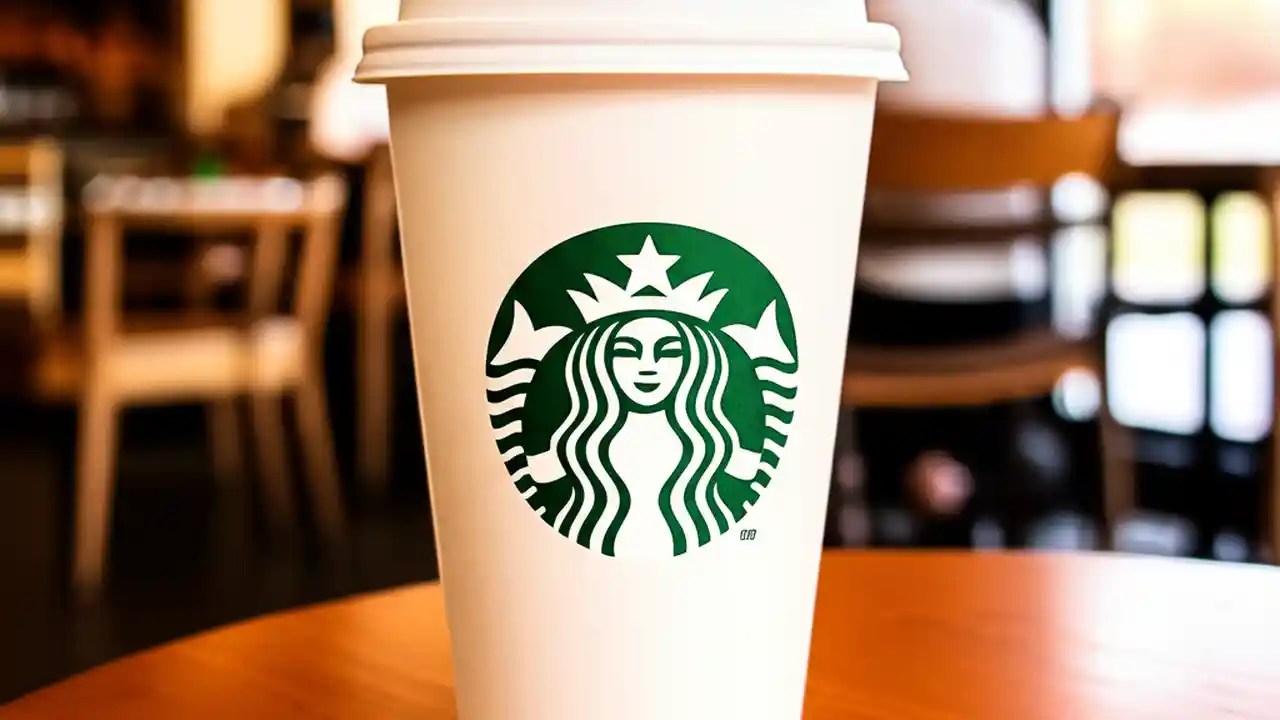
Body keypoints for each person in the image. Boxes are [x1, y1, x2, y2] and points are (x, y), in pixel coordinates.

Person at [854, 0, 1063, 546]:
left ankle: (910, 478)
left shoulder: (873, 18)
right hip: (1008, 315)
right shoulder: (1022, 30)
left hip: (888, 316)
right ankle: (963, 481)